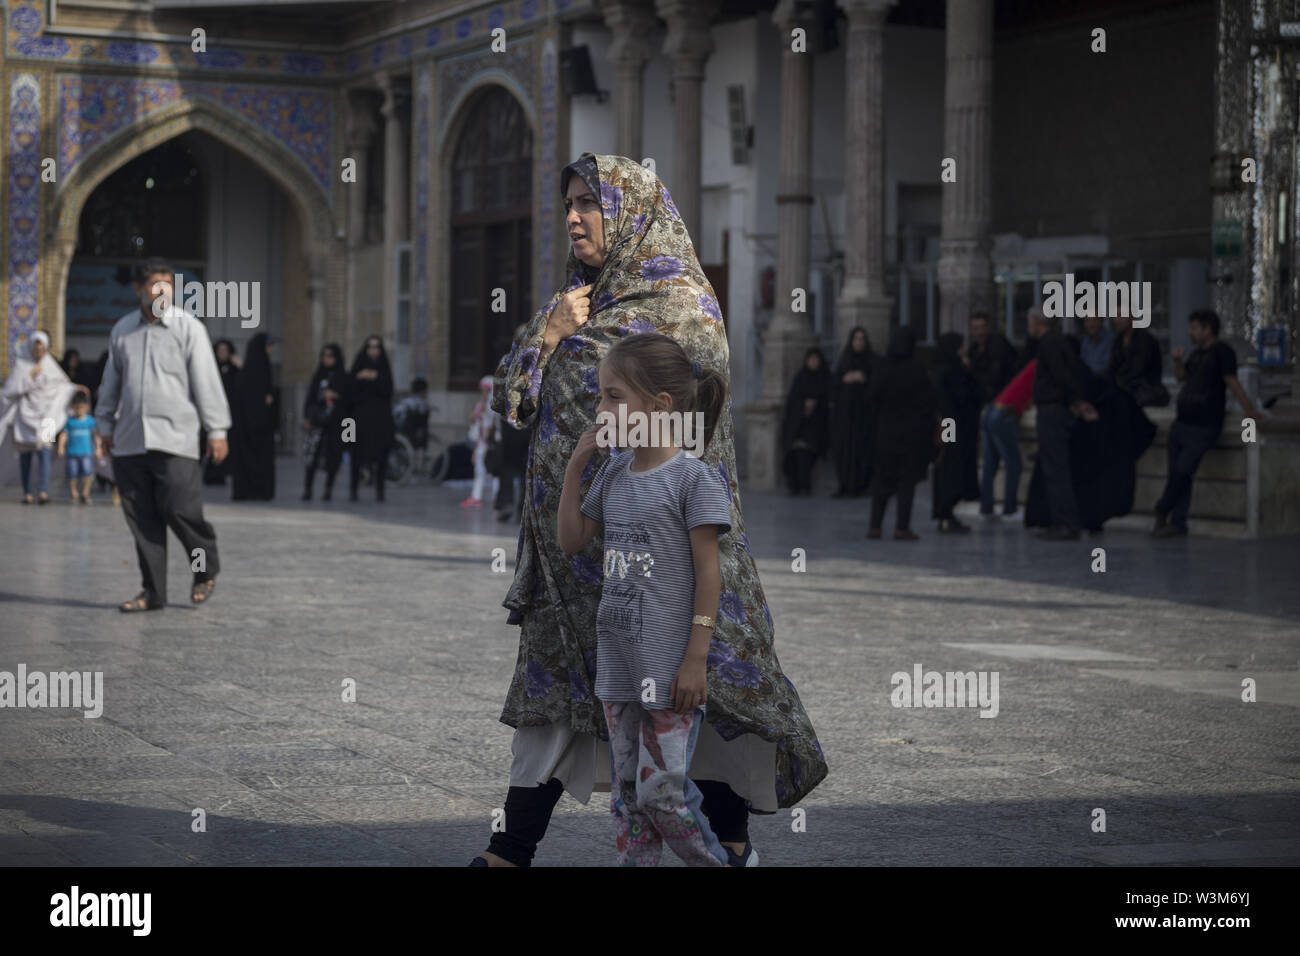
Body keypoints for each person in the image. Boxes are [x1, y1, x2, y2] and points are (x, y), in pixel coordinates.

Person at [476, 153, 826, 868]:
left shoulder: (681, 308)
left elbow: (677, 429)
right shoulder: (577, 302)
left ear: (630, 213)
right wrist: (546, 337)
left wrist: (573, 379)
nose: (573, 216)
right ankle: (510, 850)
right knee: (560, 701)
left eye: (589, 203)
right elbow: (512, 406)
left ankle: (729, 845)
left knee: (706, 700)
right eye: (568, 203)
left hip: (661, 557)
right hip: (573, 559)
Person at [559, 333, 734, 866]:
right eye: (600, 396)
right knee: (630, 801)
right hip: (620, 662)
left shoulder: (691, 479)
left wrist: (696, 659)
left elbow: (710, 574)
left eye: (613, 396)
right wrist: (574, 469)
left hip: (670, 663)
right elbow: (572, 540)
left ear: (658, 406)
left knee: (664, 793)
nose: (600, 408)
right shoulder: (612, 473)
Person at [95, 257, 231, 611]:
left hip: (176, 440)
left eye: (167, 286)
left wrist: (217, 429)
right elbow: (111, 383)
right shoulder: (123, 330)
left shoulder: (189, 328)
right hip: (130, 441)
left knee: (181, 512)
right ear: (139, 289)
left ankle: (203, 570)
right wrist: (105, 425)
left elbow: (206, 382)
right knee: (142, 520)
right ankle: (153, 592)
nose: (161, 292)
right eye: (154, 286)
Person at [1153, 309, 1262, 538]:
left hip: (1204, 425)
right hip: (1182, 422)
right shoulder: (1196, 354)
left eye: (1194, 328)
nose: (1190, 332)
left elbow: (1231, 382)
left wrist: (1249, 410)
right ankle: (1177, 522)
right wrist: (1177, 361)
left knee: (1183, 471)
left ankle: (1163, 509)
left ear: (1207, 329)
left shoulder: (1222, 352)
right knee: (1177, 474)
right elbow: (1183, 377)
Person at [1031, 315, 1098, 540]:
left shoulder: (1050, 345)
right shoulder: (1059, 343)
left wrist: (1076, 400)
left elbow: (1061, 376)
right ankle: (1062, 521)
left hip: (1052, 411)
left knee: (1056, 469)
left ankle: (1066, 523)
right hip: (1058, 409)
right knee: (1056, 467)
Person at [866, 327, 937, 541]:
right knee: (906, 483)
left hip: (886, 433)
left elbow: (872, 399)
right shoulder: (917, 370)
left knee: (881, 482)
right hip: (911, 436)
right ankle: (902, 527)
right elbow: (928, 404)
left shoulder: (882, 368)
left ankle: (875, 526)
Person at [0, 331, 77, 504]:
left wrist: (76, 389)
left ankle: (43, 491)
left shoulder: (51, 366)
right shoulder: (22, 366)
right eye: (36, 349)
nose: (39, 352)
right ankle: (27, 492)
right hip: (24, 417)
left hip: (48, 418)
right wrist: (29, 377)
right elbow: (8, 392)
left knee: (45, 453)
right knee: (25, 456)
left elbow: (64, 386)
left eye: (42, 349)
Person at [979, 324, 1039, 520]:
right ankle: (1010, 507)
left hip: (992, 410)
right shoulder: (1039, 368)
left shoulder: (1026, 368)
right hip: (1004, 415)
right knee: (1014, 464)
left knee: (990, 464)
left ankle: (986, 506)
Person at [929, 331, 979, 533]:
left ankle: (945, 513)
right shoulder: (952, 371)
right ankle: (945, 513)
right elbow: (967, 396)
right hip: (950, 424)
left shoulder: (941, 370)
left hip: (948, 424)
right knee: (950, 464)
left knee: (948, 465)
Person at [229, 332, 277, 501]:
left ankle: (250, 489)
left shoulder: (252, 368)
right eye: (269, 346)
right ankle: (258, 490)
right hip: (257, 426)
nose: (271, 350)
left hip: (250, 427)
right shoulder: (258, 369)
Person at [828, 327, 874, 497]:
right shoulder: (844, 360)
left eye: (862, 339)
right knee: (844, 450)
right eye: (856, 339)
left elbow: (877, 386)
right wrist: (845, 379)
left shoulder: (871, 361)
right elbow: (834, 385)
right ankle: (845, 485)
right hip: (844, 417)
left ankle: (861, 485)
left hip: (864, 417)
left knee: (861, 449)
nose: (859, 342)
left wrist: (864, 379)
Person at [349, 335, 395, 502]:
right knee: (356, 456)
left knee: (381, 456)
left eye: (377, 347)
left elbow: (388, 389)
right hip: (360, 420)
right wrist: (361, 377)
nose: (373, 350)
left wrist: (374, 377)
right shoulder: (358, 367)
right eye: (370, 347)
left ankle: (380, 490)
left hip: (380, 420)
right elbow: (351, 391)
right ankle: (353, 489)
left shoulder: (384, 368)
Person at [302, 343, 350, 501]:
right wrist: (307, 418)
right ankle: (308, 488)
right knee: (312, 458)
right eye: (324, 355)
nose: (327, 359)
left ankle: (328, 488)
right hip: (317, 423)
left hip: (337, 424)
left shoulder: (343, 376)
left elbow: (350, 401)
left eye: (330, 356)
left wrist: (336, 395)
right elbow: (310, 397)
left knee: (333, 457)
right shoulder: (319, 375)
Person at [781, 347, 830, 496]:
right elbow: (792, 402)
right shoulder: (801, 377)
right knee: (793, 451)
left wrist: (814, 405)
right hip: (798, 426)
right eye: (811, 359)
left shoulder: (824, 378)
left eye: (816, 359)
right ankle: (794, 486)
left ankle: (804, 486)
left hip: (816, 426)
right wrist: (803, 406)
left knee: (805, 452)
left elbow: (827, 402)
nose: (813, 362)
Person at [1107, 311, 1165, 406]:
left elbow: (1138, 370)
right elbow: (1111, 368)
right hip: (1125, 390)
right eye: (1115, 316)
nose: (1116, 320)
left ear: (1132, 317)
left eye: (1121, 315)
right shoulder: (1118, 341)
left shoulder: (1145, 340)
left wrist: (1117, 381)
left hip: (1146, 391)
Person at [204, 339, 241, 485]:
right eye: (220, 350)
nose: (222, 353)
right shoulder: (211, 367)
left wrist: (239, 366)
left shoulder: (233, 369)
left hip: (230, 412)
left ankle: (225, 471)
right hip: (213, 410)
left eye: (225, 351)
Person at [57, 392, 101, 503]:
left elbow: (95, 435)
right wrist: (61, 446)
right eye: (76, 408)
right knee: (72, 474)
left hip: (86, 452)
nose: (79, 410)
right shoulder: (70, 421)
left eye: (81, 407)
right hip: (72, 453)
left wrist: (99, 447)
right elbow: (64, 435)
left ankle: (86, 493)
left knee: (87, 473)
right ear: (72, 407)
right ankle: (74, 493)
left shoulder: (90, 421)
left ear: (86, 407)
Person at [967, 311, 1017, 406]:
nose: (980, 332)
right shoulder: (973, 350)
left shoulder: (998, 345)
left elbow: (995, 377)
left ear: (988, 328)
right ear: (971, 330)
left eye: (983, 327)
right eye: (976, 328)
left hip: (1001, 399)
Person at [463, 375, 498, 508]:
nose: (483, 393)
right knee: (480, 469)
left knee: (494, 470)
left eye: (486, 390)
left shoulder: (492, 405)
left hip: (489, 442)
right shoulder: (482, 405)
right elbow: (474, 420)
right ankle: (477, 496)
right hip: (482, 441)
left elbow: (490, 425)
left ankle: (493, 496)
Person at [1079, 311, 1116, 376]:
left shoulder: (1110, 340)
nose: (1090, 325)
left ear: (1101, 322)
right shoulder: (1086, 341)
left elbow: (1106, 367)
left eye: (1094, 320)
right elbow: (1082, 363)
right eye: (1087, 321)